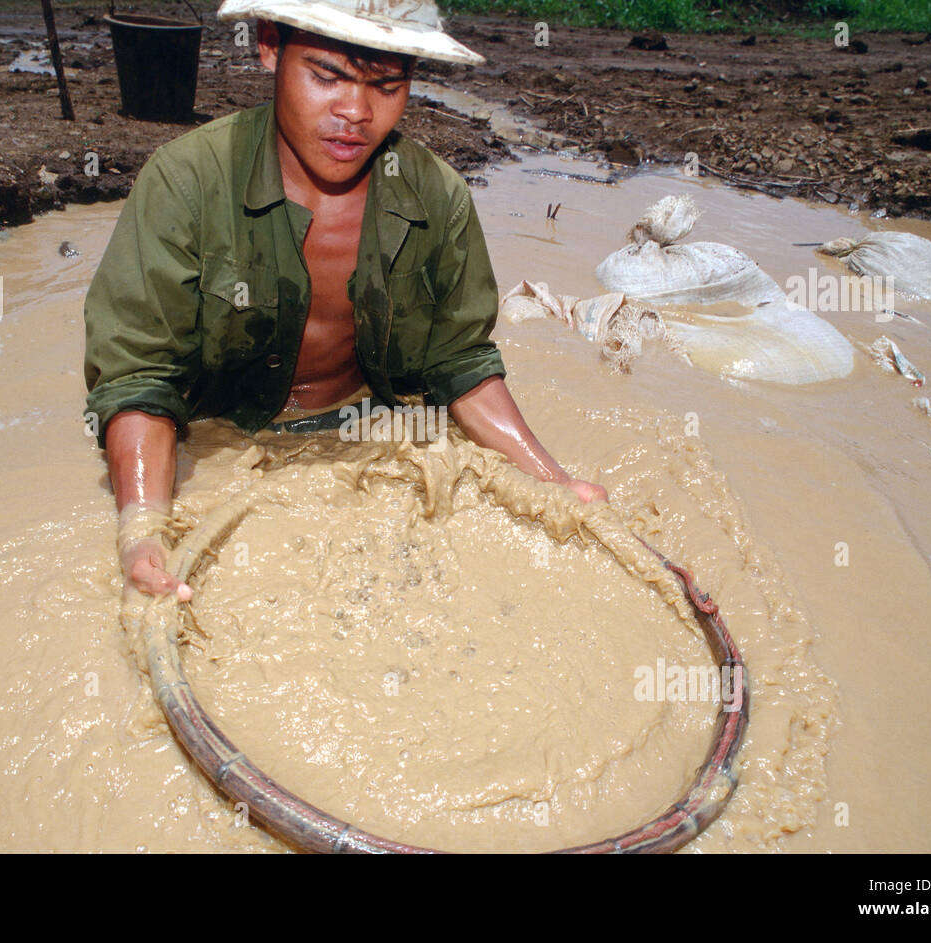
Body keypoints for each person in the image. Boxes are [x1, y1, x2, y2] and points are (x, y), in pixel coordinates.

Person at [83, 0, 606, 599]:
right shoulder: (186, 181)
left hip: (365, 428)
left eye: (387, 85)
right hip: (217, 436)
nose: (355, 112)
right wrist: (143, 527)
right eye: (327, 76)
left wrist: (553, 479)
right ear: (269, 44)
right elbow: (140, 374)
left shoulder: (438, 196)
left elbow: (460, 364)